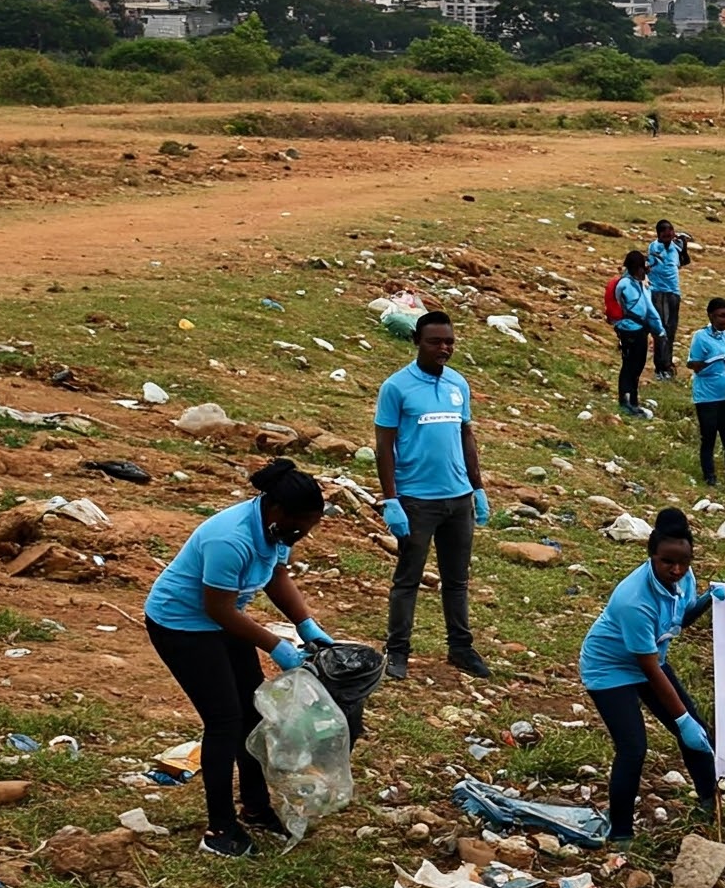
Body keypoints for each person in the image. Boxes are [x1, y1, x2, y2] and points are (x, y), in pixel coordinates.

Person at [144, 459, 331, 858]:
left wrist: (306, 624)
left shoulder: (277, 528)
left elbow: (276, 575)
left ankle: (256, 807)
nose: (303, 535)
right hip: (181, 624)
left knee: (252, 713)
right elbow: (220, 610)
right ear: (278, 510)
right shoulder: (230, 538)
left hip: (222, 620)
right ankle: (219, 829)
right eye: (301, 526)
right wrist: (276, 647)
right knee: (224, 720)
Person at [581, 507, 716, 836]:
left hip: (649, 658)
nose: (676, 569)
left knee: (696, 731)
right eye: (667, 562)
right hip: (610, 667)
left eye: (683, 562)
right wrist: (681, 719)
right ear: (651, 556)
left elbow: (679, 619)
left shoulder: (685, 578)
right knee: (633, 747)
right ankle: (621, 832)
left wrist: (708, 600)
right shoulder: (633, 599)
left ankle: (710, 802)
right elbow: (649, 667)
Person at [376, 311, 491, 682]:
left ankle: (460, 648)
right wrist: (391, 499)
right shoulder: (396, 387)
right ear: (417, 342)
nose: (444, 348)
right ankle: (397, 652)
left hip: (459, 499)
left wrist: (478, 487)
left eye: (449, 342)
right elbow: (384, 446)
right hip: (416, 501)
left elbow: (466, 436)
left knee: (456, 580)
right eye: (435, 341)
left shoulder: (458, 384)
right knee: (408, 579)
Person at [689, 297, 725, 489]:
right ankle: (709, 477)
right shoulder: (701, 337)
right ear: (711, 315)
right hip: (707, 397)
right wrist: (715, 361)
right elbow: (695, 365)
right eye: (721, 316)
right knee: (709, 438)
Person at [609, 249, 661, 419]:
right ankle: (626, 402)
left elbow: (650, 309)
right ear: (636, 268)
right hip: (628, 329)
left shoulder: (642, 284)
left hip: (640, 329)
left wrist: (658, 329)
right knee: (629, 365)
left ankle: (633, 401)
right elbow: (618, 305)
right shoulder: (625, 284)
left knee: (637, 365)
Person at [645, 220, 689, 380]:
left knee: (671, 330)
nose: (668, 237)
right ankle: (660, 368)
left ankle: (667, 365)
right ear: (658, 235)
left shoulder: (675, 246)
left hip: (673, 292)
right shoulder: (655, 247)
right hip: (658, 292)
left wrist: (683, 245)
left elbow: (684, 261)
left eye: (670, 233)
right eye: (664, 235)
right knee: (661, 330)